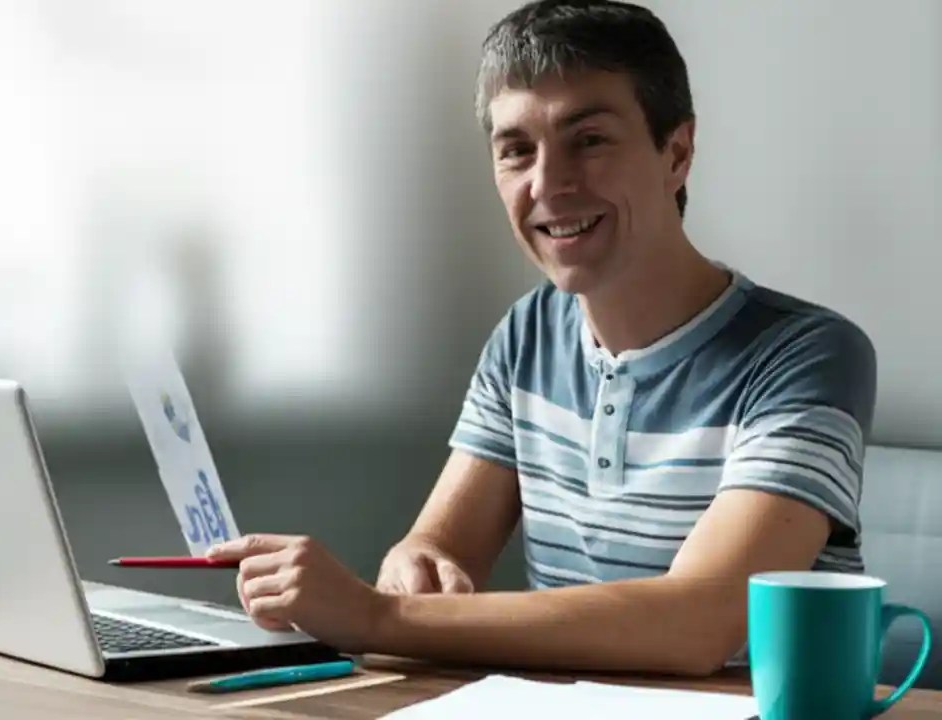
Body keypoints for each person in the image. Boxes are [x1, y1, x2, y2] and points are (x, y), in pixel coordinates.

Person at [206, 0, 876, 676]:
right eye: (517, 150)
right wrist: (414, 568)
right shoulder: (526, 336)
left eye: (588, 140)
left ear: (676, 153)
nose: (548, 184)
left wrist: (377, 616)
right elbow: (438, 548)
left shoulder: (810, 356)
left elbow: (699, 622)